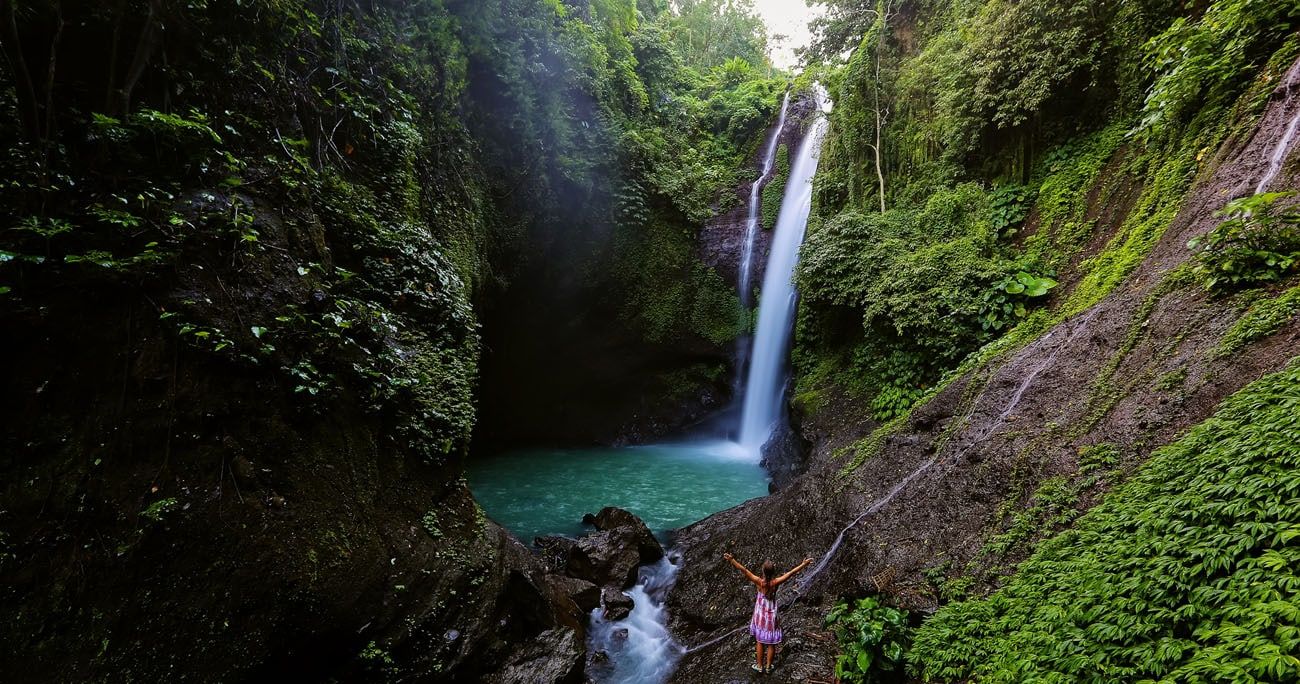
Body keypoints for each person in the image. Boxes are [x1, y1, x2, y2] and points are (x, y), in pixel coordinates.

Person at [723, 552, 814, 674]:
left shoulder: (758, 582)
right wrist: (803, 564)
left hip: (760, 614)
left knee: (760, 641)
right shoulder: (775, 582)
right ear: (773, 572)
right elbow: (791, 573)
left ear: (763, 571)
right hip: (771, 615)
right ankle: (768, 666)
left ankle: (759, 666)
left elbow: (744, 570)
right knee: (771, 643)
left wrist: (732, 560)